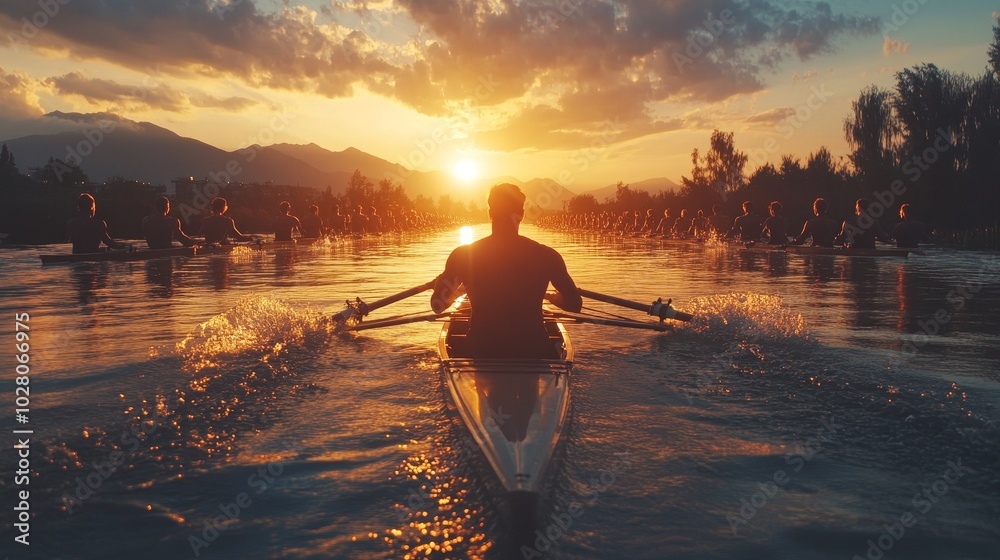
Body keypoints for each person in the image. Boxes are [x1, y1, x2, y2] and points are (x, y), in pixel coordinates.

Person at [431, 183, 582, 358]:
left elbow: (438, 305)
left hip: (482, 351)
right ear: (522, 215)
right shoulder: (547, 255)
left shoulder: (464, 256)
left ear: (490, 214)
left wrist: (453, 289)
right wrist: (552, 297)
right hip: (534, 351)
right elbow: (575, 304)